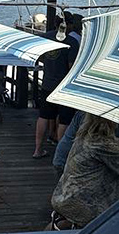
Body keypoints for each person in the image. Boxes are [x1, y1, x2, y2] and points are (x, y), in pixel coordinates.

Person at [51, 113, 119, 227]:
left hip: (65, 195)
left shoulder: (86, 135)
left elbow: (114, 157)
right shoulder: (102, 144)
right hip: (84, 205)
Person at [32, 12, 82, 158]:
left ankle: (37, 150)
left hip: (47, 84)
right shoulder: (71, 42)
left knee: (43, 116)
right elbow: (71, 66)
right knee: (64, 121)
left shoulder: (45, 37)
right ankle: (60, 155)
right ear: (68, 24)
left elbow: (39, 56)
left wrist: (49, 63)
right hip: (63, 87)